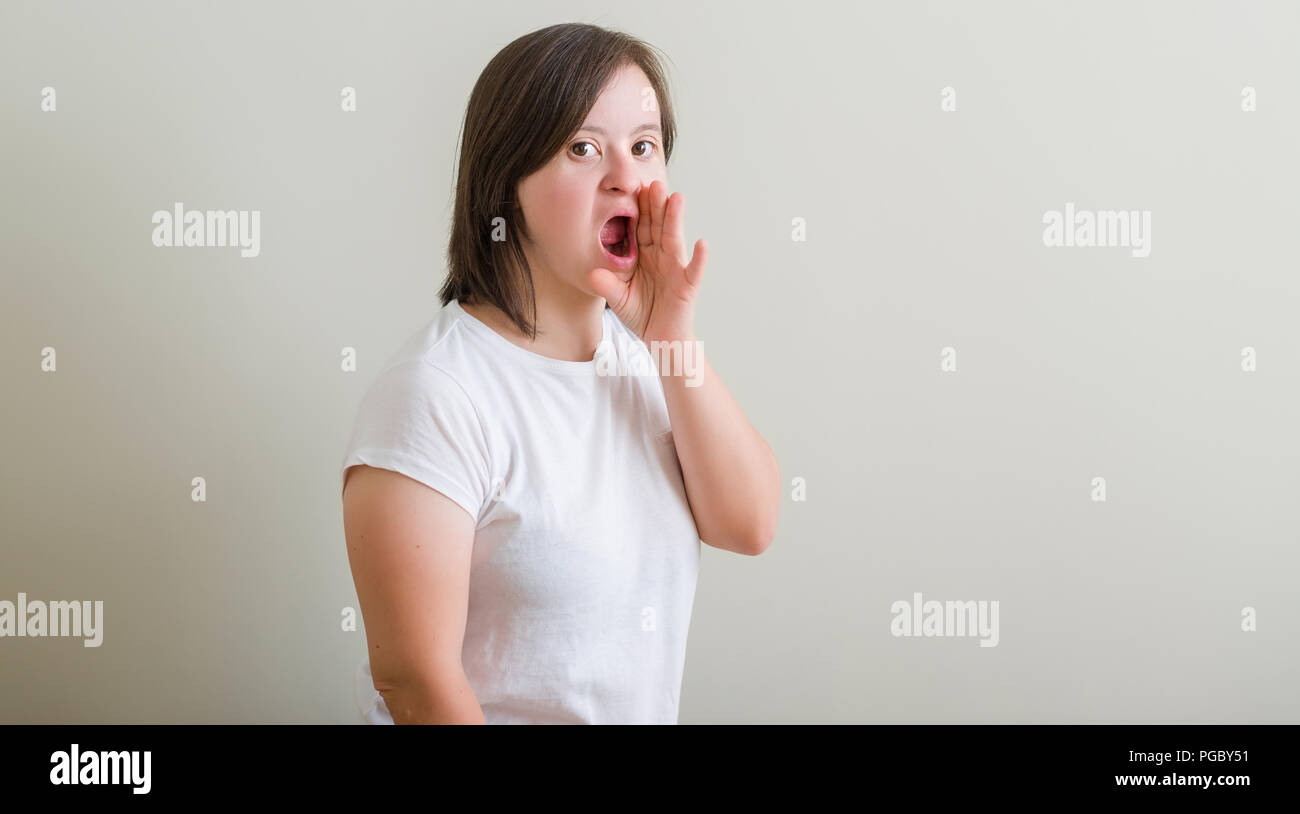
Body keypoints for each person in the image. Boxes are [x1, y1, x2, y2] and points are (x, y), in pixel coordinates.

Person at [340, 22, 781, 724]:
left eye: (643, 146)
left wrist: (672, 338)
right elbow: (415, 681)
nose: (627, 178)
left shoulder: (647, 357)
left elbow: (749, 523)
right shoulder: (434, 395)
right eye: (582, 148)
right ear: (506, 184)